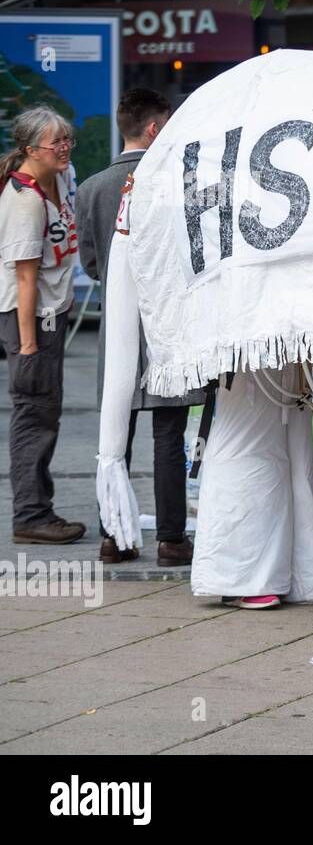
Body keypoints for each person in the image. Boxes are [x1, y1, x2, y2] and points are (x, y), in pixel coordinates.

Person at [76, 88, 205, 566]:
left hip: (119, 331)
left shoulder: (90, 189)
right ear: (154, 129)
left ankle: (115, 535)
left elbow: (91, 265)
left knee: (116, 434)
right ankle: (172, 539)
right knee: (169, 437)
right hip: (169, 325)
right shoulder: (178, 183)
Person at [0, 107, 85, 545]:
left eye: (67, 138)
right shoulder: (24, 200)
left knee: (45, 411)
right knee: (34, 413)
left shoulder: (62, 178)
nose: (65, 147)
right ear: (31, 148)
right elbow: (24, 277)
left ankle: (38, 510)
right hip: (29, 318)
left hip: (52, 311)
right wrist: (29, 346)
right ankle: (31, 516)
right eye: (56, 142)